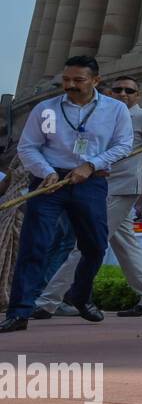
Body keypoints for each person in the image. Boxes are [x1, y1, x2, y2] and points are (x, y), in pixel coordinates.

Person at [2, 56, 133, 333]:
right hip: (48, 181)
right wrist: (46, 170)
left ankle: (80, 295)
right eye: (66, 80)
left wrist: (91, 165)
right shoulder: (45, 109)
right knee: (34, 244)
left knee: (95, 245)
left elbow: (124, 145)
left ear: (95, 81)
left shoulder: (115, 110)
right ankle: (19, 311)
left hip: (90, 181)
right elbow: (28, 147)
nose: (70, 86)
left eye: (78, 80)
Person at [35, 75, 142, 318]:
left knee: (86, 245)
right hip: (97, 187)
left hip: (122, 188)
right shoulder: (102, 116)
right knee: (126, 245)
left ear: (138, 95)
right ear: (108, 93)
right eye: (117, 89)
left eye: (129, 91)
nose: (123, 94)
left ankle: (47, 301)